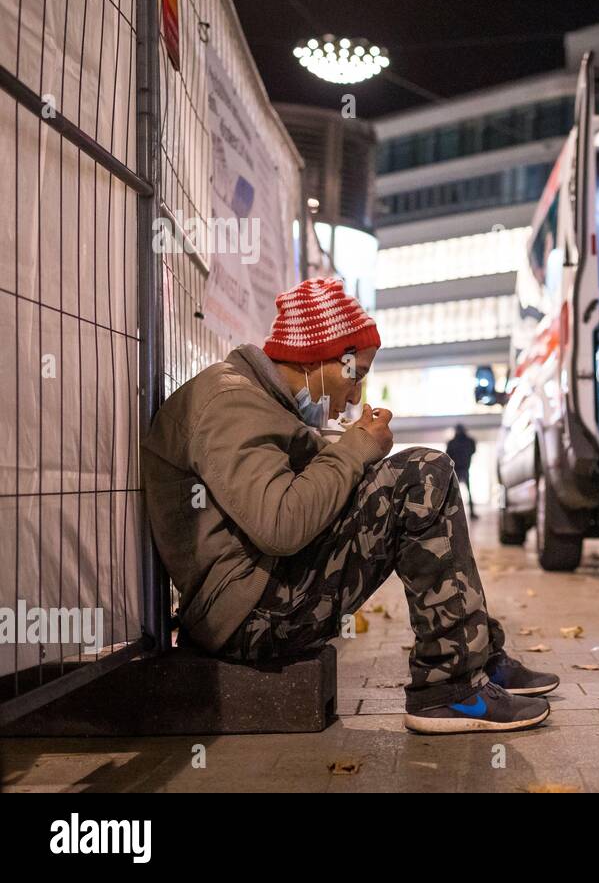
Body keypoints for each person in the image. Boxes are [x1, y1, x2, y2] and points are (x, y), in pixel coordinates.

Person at [142, 277, 558, 734]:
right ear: (318, 358)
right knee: (423, 474)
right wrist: (356, 448)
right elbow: (280, 524)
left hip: (262, 597)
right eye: (354, 374)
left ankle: (475, 658)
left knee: (418, 479)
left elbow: (315, 501)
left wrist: (352, 457)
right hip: (247, 620)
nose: (355, 396)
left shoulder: (261, 403)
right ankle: (449, 688)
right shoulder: (230, 403)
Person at [446, 424, 478, 519]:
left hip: (456, 469)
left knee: (453, 493)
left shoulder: (452, 442)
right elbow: (473, 450)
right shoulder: (469, 441)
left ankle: (450, 514)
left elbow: (448, 454)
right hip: (464, 468)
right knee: (467, 492)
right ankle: (471, 513)